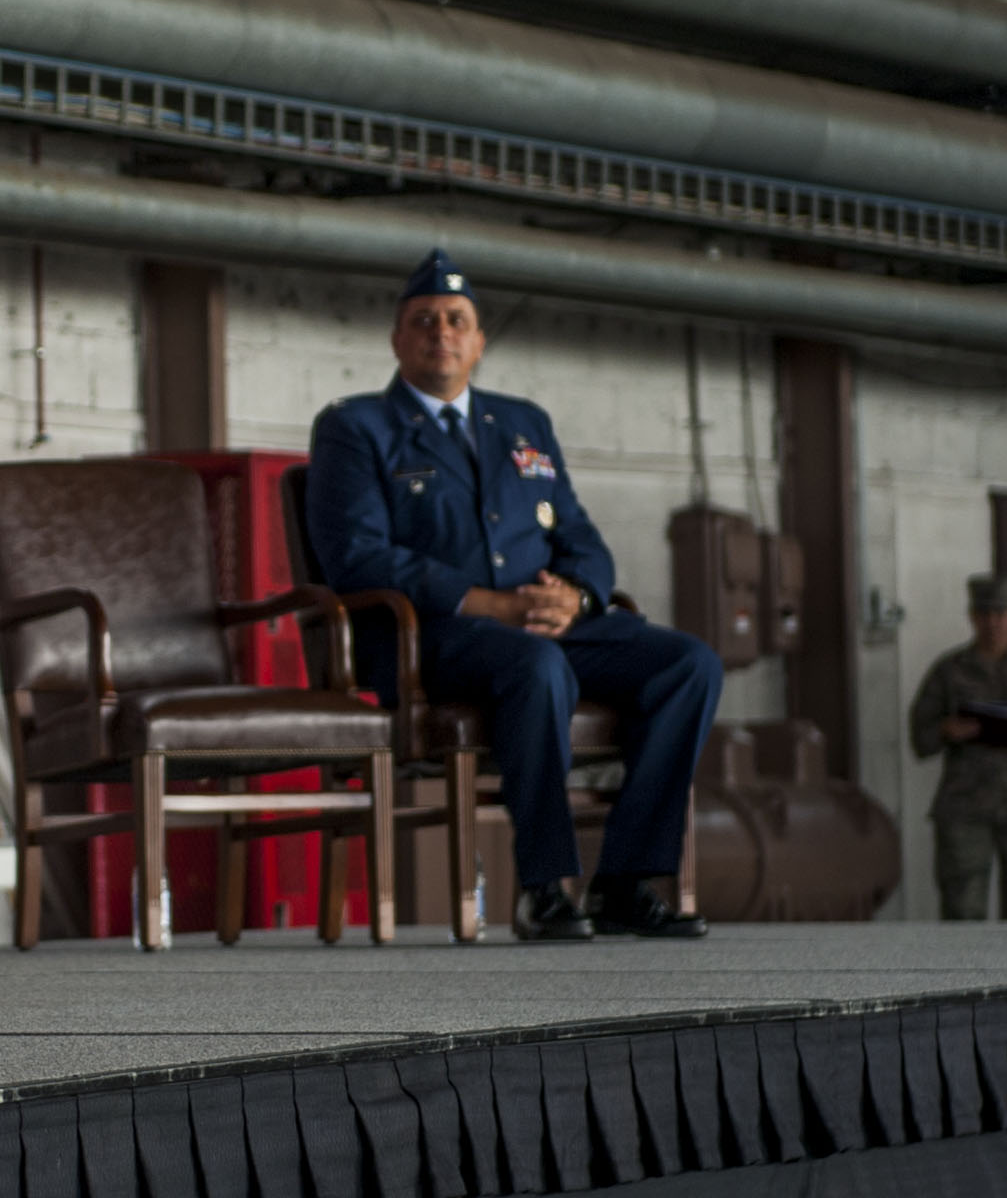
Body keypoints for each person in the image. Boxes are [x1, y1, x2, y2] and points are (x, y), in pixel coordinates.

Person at [301, 253, 722, 940]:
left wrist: (579, 596)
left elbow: (579, 533)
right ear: (396, 340)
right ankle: (543, 885)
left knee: (688, 663)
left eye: (456, 320)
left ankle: (624, 879)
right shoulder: (354, 427)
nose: (441, 331)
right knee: (537, 667)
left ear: (478, 341)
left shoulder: (523, 421)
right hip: (429, 636)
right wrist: (486, 603)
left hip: (544, 624)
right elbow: (356, 556)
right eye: (423, 320)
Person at [907, 573, 1007, 919]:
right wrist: (947, 729)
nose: (993, 622)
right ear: (972, 616)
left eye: (1001, 613)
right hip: (966, 808)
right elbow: (920, 738)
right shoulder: (949, 672)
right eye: (985, 614)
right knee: (963, 912)